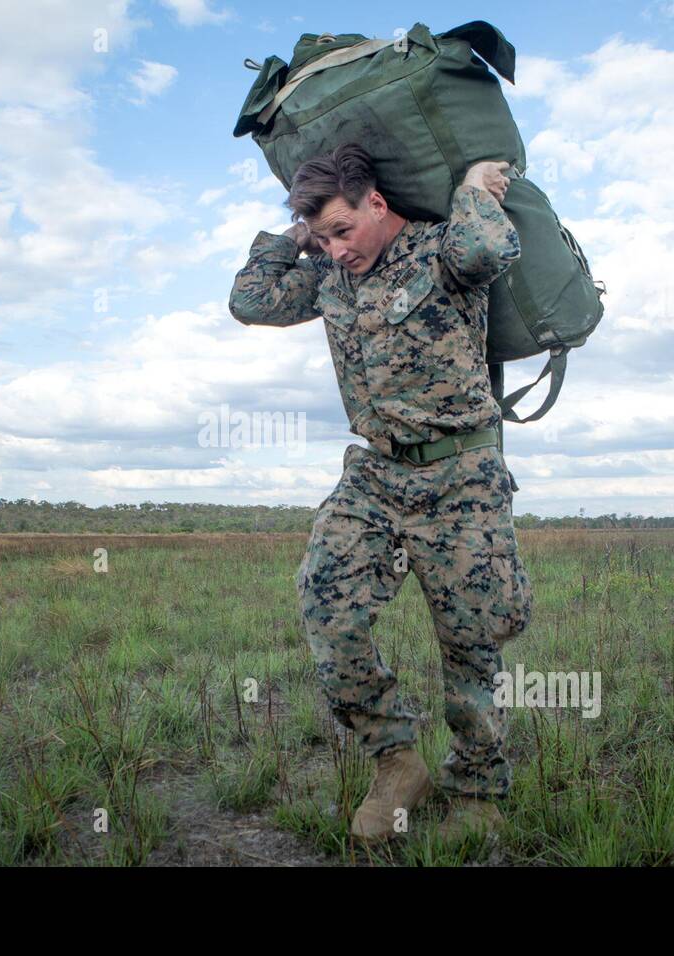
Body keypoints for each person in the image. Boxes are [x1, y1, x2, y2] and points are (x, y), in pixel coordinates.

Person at [228, 142, 534, 845]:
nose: (336, 248)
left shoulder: (440, 251)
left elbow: (489, 252)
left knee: (472, 644)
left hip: (462, 478)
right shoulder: (330, 276)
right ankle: (396, 762)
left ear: (378, 201)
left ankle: (479, 793)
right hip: (374, 475)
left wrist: (471, 187)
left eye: (344, 229)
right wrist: (294, 236)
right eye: (323, 236)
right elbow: (249, 300)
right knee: (326, 606)